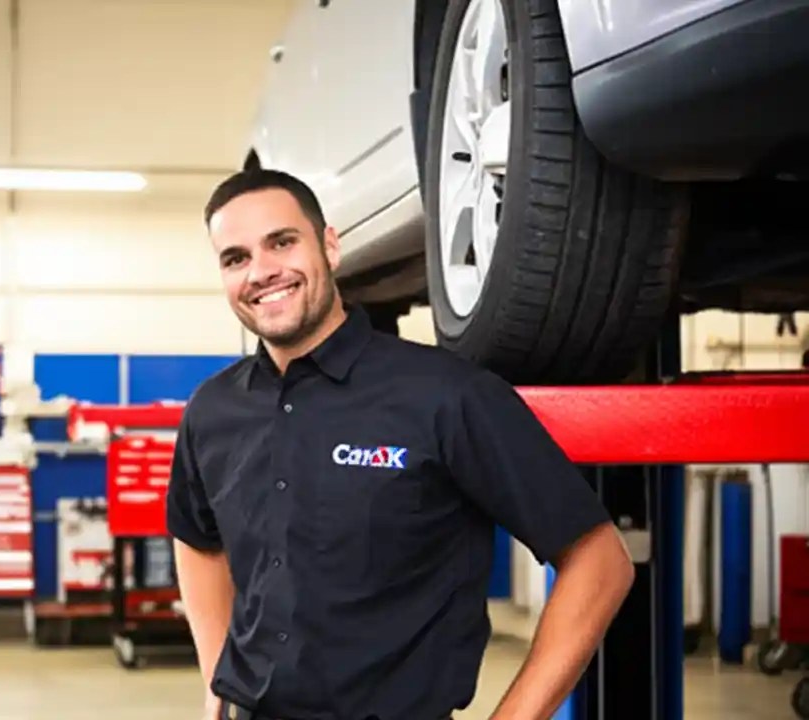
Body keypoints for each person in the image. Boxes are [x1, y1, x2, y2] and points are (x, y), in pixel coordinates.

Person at [166, 168, 635, 720]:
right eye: (235, 258)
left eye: (282, 242)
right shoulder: (213, 411)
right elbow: (198, 540)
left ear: (330, 246)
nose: (262, 272)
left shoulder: (447, 395)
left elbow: (600, 561)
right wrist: (216, 678)